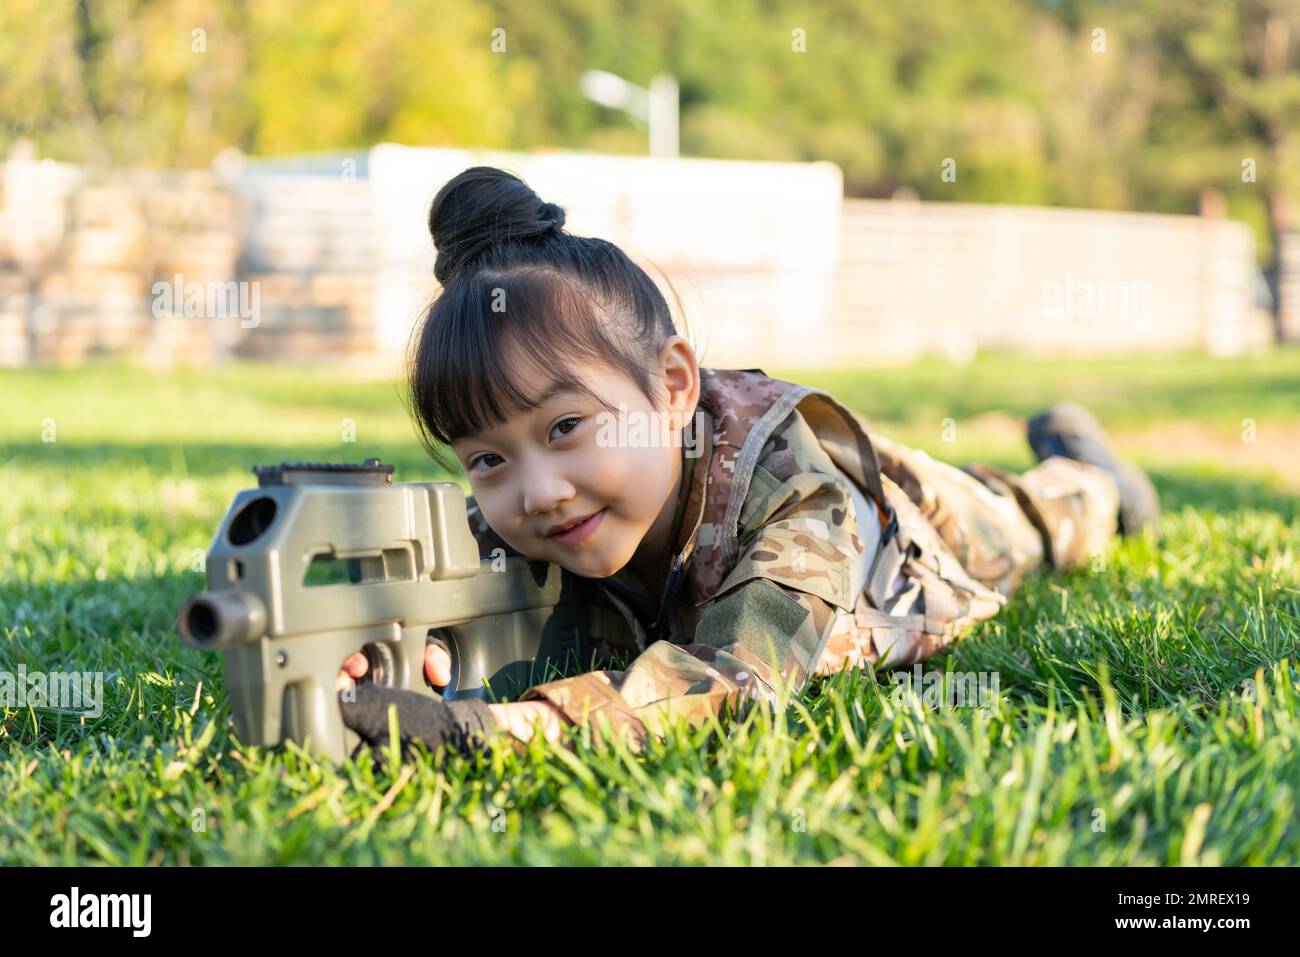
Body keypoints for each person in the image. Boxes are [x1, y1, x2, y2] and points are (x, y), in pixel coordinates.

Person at [335, 166, 1160, 763]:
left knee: (1032, 519)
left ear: (671, 385)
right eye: (487, 456)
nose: (539, 490)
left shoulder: (799, 497)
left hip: (906, 528)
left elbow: (740, 680)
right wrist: (391, 649)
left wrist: (511, 730)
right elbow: (458, 592)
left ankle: (1090, 475)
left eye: (566, 427)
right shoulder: (542, 501)